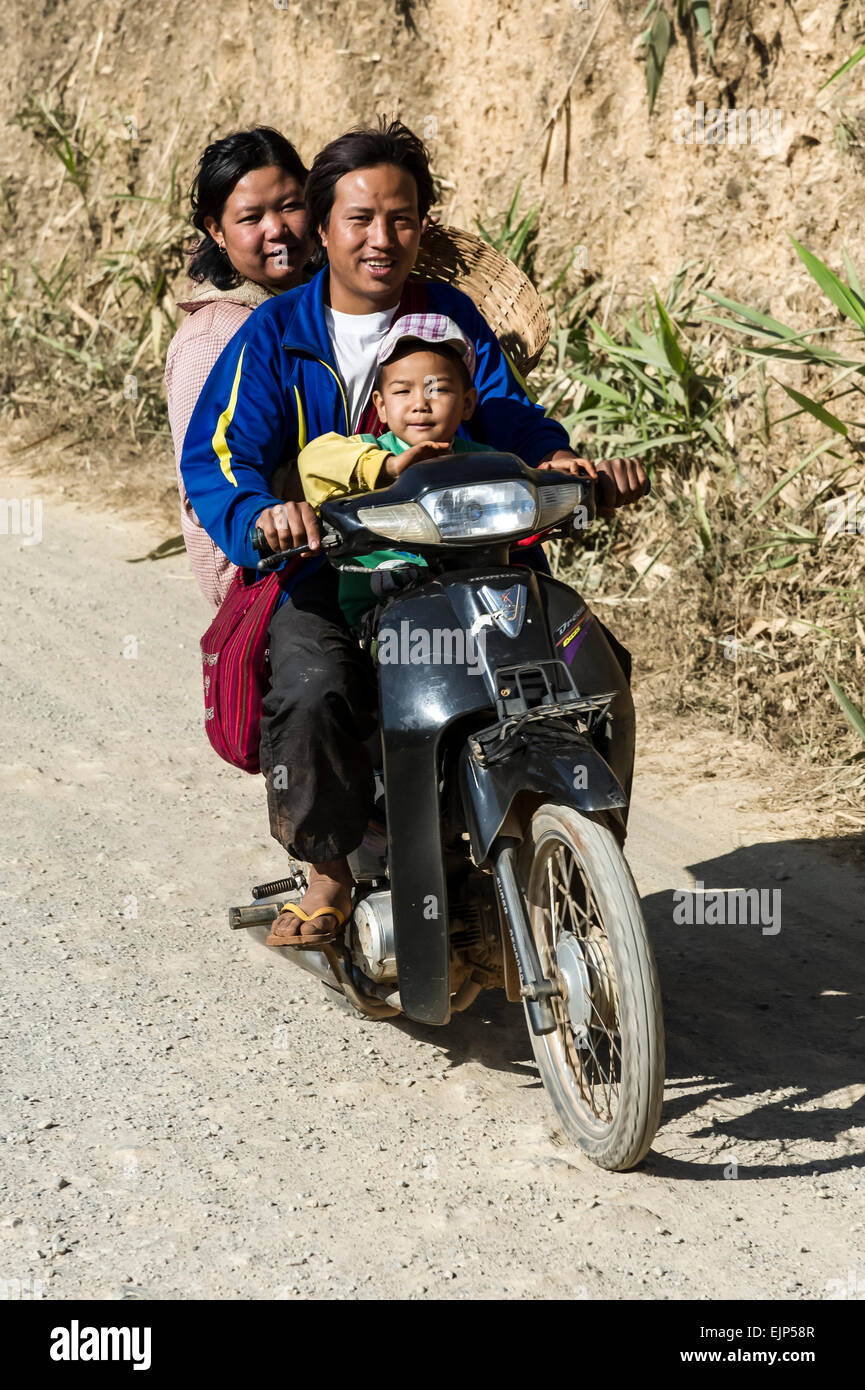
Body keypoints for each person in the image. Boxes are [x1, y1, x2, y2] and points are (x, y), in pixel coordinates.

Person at [180, 118, 647, 949]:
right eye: (357, 219)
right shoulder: (274, 334)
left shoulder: (450, 314)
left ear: (423, 225)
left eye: (401, 218)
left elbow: (506, 415)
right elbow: (218, 458)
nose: (380, 238)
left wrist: (568, 464)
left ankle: (571, 841)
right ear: (323, 229)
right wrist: (262, 515)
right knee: (318, 687)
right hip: (327, 566)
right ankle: (328, 873)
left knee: (592, 659)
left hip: (463, 557)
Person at [165, 127, 314, 610]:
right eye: (251, 217)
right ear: (215, 230)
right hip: (262, 566)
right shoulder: (215, 337)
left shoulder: (316, 305)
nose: (277, 229)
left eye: (291, 206)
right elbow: (205, 488)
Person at [298, 312, 500, 627]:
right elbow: (312, 460)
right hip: (381, 614)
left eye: (438, 389)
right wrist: (387, 467)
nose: (420, 403)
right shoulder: (370, 452)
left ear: (468, 403)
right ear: (380, 405)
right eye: (403, 391)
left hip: (474, 605)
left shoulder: (484, 462)